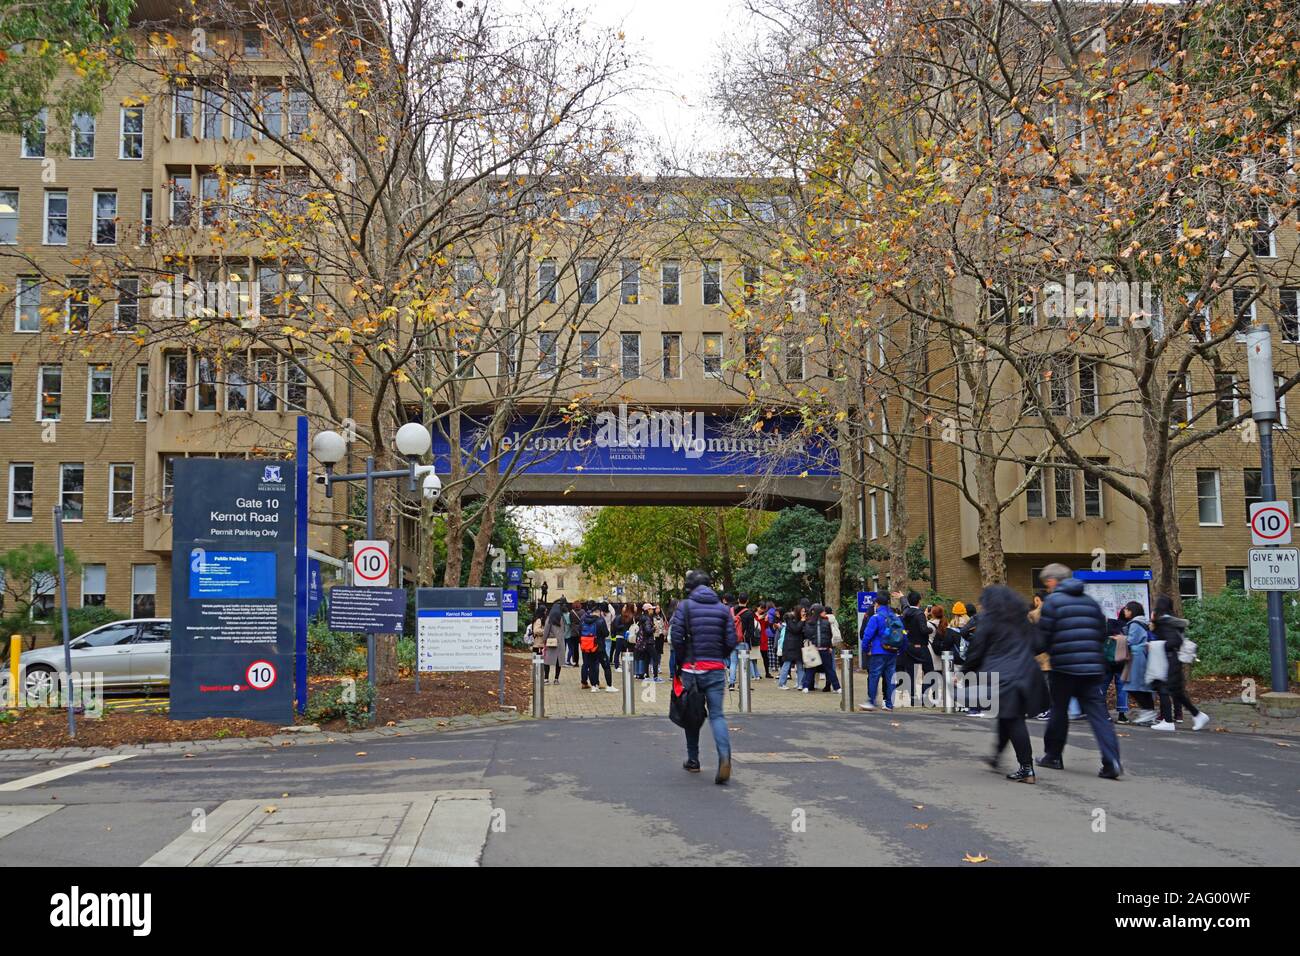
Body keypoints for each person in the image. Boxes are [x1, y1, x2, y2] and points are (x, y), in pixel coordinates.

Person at [1035, 564, 1123, 779]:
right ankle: (1111, 760)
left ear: (1052, 581)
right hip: (1092, 667)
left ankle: (1053, 756)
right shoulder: (1091, 602)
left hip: (1064, 667)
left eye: (1046, 583)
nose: (1046, 588)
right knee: (1099, 715)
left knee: (1058, 711)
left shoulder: (1053, 603)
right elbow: (1101, 633)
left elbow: (1043, 639)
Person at [961, 585, 1050, 783]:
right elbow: (1039, 645)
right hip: (1026, 674)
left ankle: (1026, 768)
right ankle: (996, 756)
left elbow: (977, 650)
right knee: (1007, 716)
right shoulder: (1022, 620)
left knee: (1013, 719)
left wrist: (965, 671)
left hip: (1002, 677)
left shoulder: (988, 621)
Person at [670, 570, 737, 784]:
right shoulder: (724, 609)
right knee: (717, 715)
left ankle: (693, 759)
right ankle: (724, 757)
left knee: (693, 715)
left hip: (692, 669)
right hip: (716, 669)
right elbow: (731, 640)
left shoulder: (685, 607)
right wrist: (720, 657)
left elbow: (677, 638)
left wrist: (680, 663)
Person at [1150, 595, 1211, 732]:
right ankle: (1197, 715)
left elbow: (1173, 642)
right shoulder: (1171, 620)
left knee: (1165, 688)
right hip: (1174, 659)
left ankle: (1168, 721)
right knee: (1176, 691)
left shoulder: (1164, 622)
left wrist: (1156, 645)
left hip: (1170, 660)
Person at [859, 594, 901, 710]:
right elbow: (903, 635)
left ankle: (871, 701)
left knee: (874, 676)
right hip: (892, 652)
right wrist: (899, 650)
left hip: (878, 651)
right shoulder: (895, 617)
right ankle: (889, 704)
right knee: (890, 677)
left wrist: (866, 649)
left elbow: (867, 636)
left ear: (877, 604)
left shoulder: (876, 617)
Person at [1119, 601, 1157, 725]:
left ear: (1132, 610)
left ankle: (1148, 713)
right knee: (1142, 688)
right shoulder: (1143, 622)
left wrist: (1120, 639)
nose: (1124, 611)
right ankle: (1149, 713)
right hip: (1142, 656)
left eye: (1126, 609)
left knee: (1133, 686)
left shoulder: (1135, 624)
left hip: (1136, 658)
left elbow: (1131, 640)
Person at [899, 590, 933, 706]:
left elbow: (904, 605)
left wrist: (902, 597)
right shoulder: (920, 614)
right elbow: (924, 629)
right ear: (919, 601)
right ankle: (924, 697)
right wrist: (931, 629)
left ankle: (913, 699)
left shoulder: (906, 611)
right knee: (929, 671)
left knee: (910, 674)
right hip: (921, 647)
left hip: (909, 646)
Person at [802, 604, 841, 694]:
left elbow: (807, 634)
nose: (824, 613)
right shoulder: (826, 622)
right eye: (823, 611)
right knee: (829, 669)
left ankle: (806, 687)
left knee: (810, 668)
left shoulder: (809, 622)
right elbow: (829, 635)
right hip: (824, 649)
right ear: (820, 612)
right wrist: (830, 646)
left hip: (813, 648)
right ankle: (837, 687)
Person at [1102, 615, 1130, 723]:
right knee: (1122, 689)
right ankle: (1122, 715)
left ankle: (1104, 714)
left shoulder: (1101, 629)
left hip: (1106, 664)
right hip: (1121, 662)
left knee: (1102, 688)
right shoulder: (1123, 627)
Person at [538, 604, 565, 684]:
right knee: (558, 661)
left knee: (547, 661)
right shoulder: (561, 618)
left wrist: (544, 640)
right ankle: (556, 679)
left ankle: (546, 679)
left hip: (551, 642)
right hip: (560, 643)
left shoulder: (549, 619)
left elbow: (546, 630)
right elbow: (563, 630)